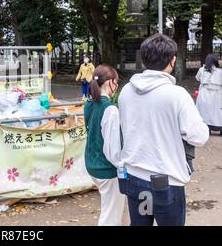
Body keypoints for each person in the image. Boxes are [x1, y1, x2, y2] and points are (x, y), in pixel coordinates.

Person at [118, 33, 209, 226]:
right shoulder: (176, 95)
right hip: (166, 182)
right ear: (172, 60)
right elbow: (198, 136)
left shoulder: (126, 91)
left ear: (143, 58)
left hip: (134, 176)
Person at [84, 64, 125, 226]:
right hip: (107, 168)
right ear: (110, 82)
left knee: (111, 208)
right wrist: (122, 167)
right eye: (117, 82)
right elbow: (112, 149)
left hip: (92, 163)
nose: (117, 86)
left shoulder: (89, 103)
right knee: (111, 215)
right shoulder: (110, 109)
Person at [195, 53, 222, 134]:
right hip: (217, 93)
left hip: (204, 93)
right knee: (218, 111)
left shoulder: (201, 70)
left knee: (204, 111)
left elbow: (198, 78)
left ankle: (206, 128)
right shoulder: (220, 72)